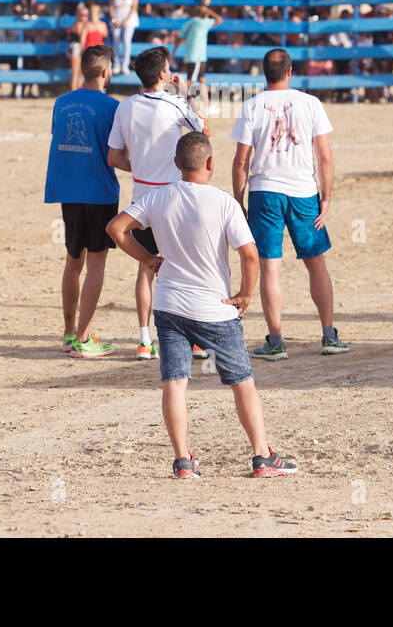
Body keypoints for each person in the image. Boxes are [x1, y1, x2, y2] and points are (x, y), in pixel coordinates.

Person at [106, 132, 297, 479]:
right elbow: (250, 255)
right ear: (211, 164)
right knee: (242, 382)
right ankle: (261, 455)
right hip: (214, 309)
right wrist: (245, 293)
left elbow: (117, 229)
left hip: (169, 307)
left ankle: (183, 461)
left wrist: (149, 260)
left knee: (175, 383)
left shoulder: (157, 197)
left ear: (176, 164)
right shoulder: (224, 202)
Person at [230, 48, 346, 360]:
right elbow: (324, 158)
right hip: (303, 191)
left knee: (270, 266)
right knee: (315, 261)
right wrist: (326, 197)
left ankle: (276, 339)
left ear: (263, 73)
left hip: (264, 191)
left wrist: (238, 200)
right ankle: (328, 334)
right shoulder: (310, 103)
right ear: (290, 72)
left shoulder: (252, 105)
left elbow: (241, 162)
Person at [107, 46, 208, 359]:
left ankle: (144, 339)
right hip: (175, 197)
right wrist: (187, 94)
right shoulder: (175, 103)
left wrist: (139, 169)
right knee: (187, 269)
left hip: (142, 196)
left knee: (146, 270)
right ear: (163, 74)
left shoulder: (125, 107)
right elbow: (204, 135)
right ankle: (192, 339)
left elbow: (113, 157)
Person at [46, 44, 121, 358]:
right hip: (100, 191)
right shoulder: (113, 106)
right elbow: (117, 152)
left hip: (69, 190)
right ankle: (84, 336)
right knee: (97, 265)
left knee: (72, 261)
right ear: (105, 71)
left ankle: (67, 333)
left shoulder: (61, 103)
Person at [171, 4, 223, 92]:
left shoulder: (188, 23)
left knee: (201, 79)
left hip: (191, 55)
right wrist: (208, 11)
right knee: (190, 80)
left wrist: (173, 53)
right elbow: (219, 20)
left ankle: (207, 104)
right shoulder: (203, 23)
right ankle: (181, 99)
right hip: (198, 56)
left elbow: (178, 39)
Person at [109, 0, 140, 75]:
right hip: (117, 18)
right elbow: (111, 8)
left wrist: (127, 20)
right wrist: (114, 20)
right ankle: (117, 64)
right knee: (116, 39)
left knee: (127, 40)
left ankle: (125, 65)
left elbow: (134, 7)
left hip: (130, 18)